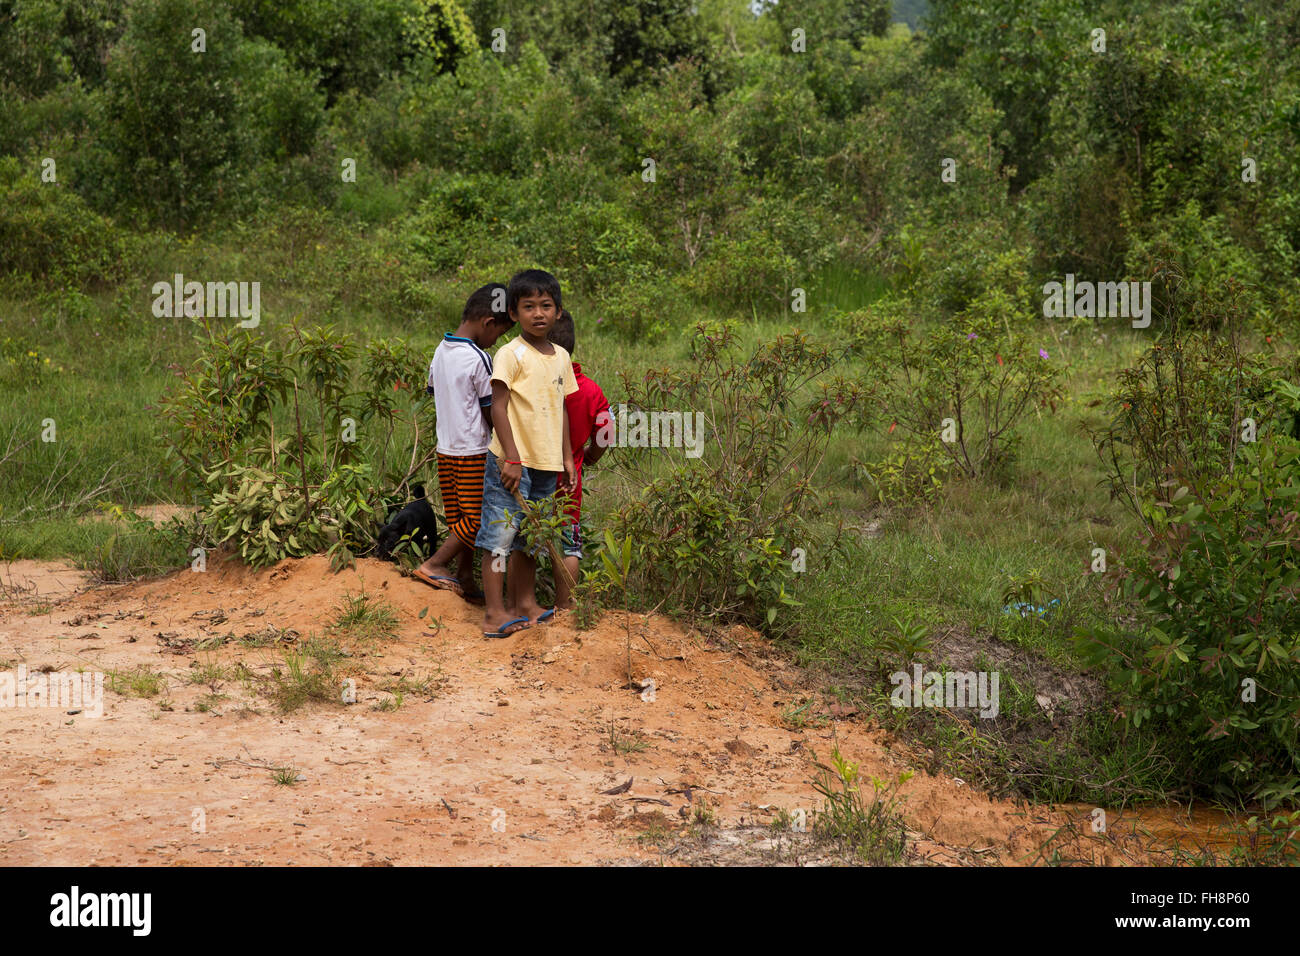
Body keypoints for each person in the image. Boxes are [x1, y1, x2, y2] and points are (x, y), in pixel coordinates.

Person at [475, 269, 577, 638]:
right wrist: (513, 458)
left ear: (559, 312)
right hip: (512, 462)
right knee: (500, 536)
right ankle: (494, 612)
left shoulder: (562, 356)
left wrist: (566, 459)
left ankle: (525, 604)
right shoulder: (510, 353)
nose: (538, 313)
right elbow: (498, 407)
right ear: (514, 313)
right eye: (528, 306)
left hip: (547, 464)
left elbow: (562, 407)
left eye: (546, 306)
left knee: (532, 537)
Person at [413, 282, 512, 599]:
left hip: (446, 450)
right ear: (488, 323)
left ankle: (465, 578)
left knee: (458, 517)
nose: (497, 341)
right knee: (476, 520)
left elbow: (434, 393)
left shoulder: (440, 352)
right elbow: (489, 410)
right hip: (473, 451)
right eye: (500, 333)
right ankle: (435, 564)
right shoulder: (479, 358)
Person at [547, 309, 610, 610]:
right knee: (568, 543)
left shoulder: (534, 385)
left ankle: (523, 604)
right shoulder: (591, 390)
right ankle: (564, 605)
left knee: (528, 540)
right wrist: (589, 456)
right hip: (570, 483)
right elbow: (606, 432)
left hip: (532, 475)